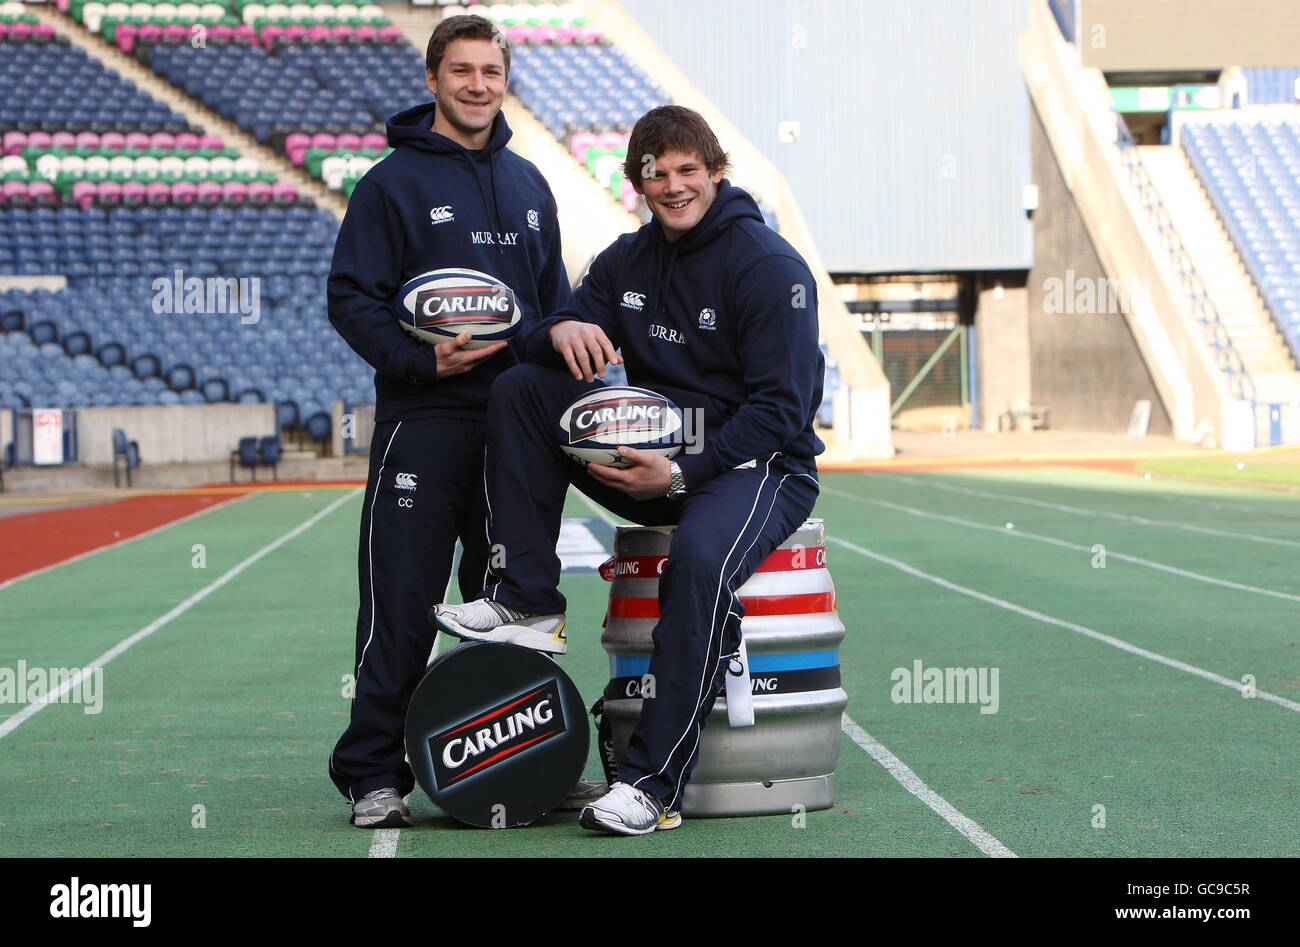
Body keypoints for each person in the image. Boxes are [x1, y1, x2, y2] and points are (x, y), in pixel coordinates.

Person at [432, 106, 824, 835]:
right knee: (522, 389)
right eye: (657, 174)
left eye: (686, 171)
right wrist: (561, 327)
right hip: (650, 449)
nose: (673, 186)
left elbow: (787, 410)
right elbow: (544, 336)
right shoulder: (627, 258)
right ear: (637, 181)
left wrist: (681, 475)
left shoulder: (768, 267)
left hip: (752, 463)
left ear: (714, 173)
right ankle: (527, 597)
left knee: (698, 561)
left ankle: (650, 782)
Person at [326, 14, 595, 828]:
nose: (478, 84)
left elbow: (552, 311)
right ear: (434, 78)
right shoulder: (390, 185)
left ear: (505, 79)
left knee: (511, 607)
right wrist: (421, 361)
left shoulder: (530, 185)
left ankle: (528, 766)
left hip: (516, 436)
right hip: (425, 423)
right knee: (401, 606)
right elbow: (351, 299)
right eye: (462, 70)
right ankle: (373, 771)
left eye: (491, 70)